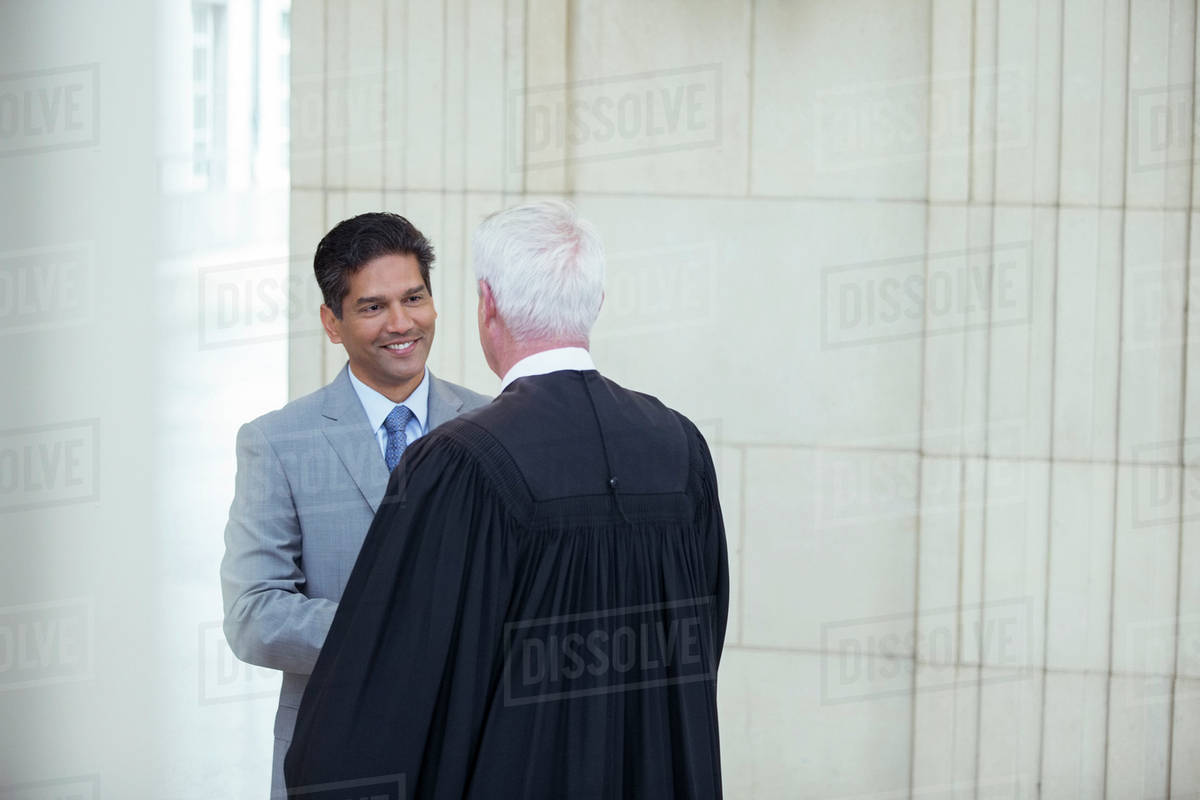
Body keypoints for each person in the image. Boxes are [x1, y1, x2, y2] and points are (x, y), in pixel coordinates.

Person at [284, 201, 729, 799]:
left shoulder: (458, 461)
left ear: (486, 304)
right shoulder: (680, 445)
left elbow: (398, 680)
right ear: (594, 302)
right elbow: (703, 634)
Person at [220, 212, 491, 799]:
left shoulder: (494, 425)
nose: (402, 323)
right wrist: (398, 629)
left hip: (471, 749)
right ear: (332, 322)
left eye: (414, 298)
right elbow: (254, 616)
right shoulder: (277, 441)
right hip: (336, 750)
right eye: (372, 307)